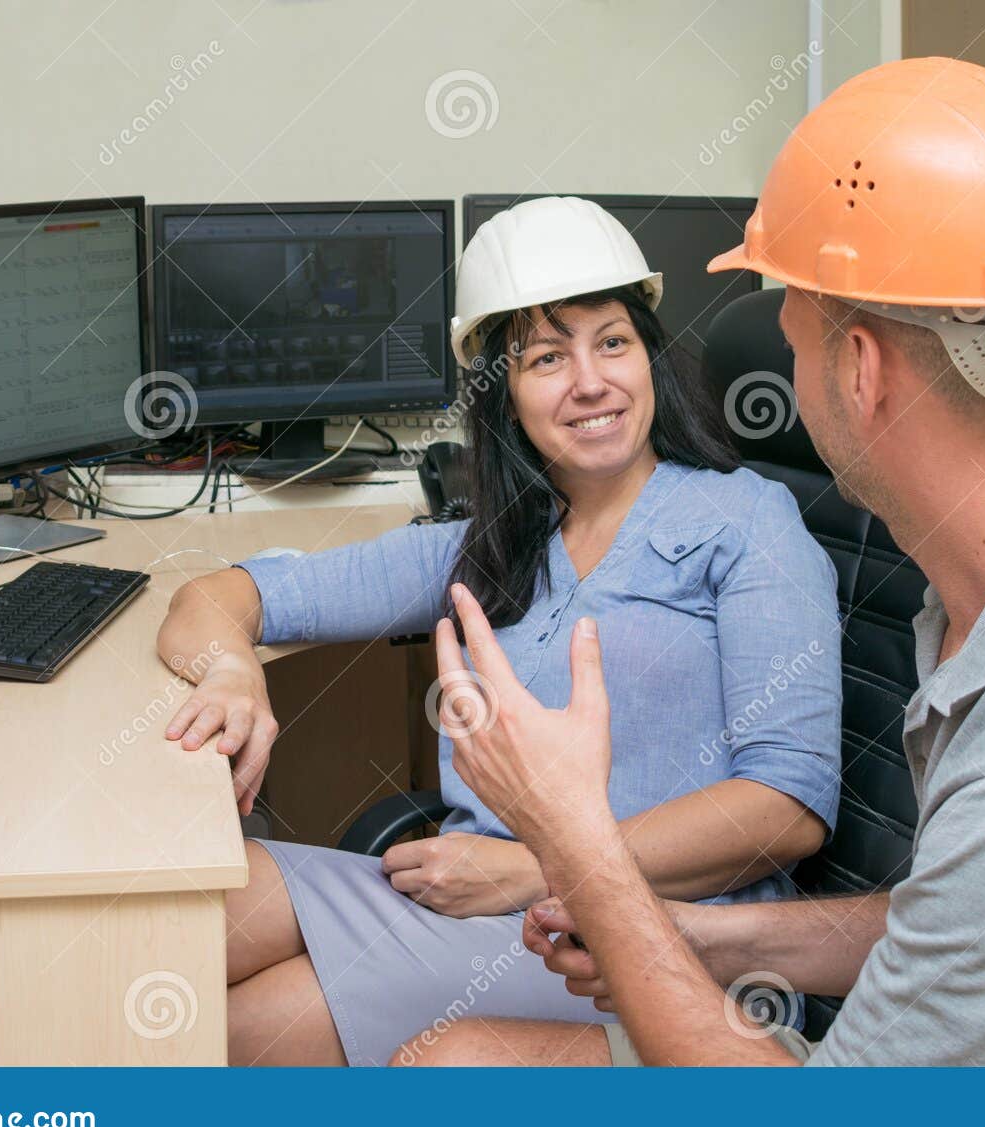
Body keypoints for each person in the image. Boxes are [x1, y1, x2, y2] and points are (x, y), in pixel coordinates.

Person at [397, 59, 985, 1067]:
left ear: (858, 369)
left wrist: (573, 838)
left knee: (449, 1069)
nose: (769, 333)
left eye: (791, 312)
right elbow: (960, 917)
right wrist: (702, 935)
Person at [155, 196, 842, 1066]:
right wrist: (232, 673)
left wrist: (540, 869)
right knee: (176, 908)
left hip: (630, 932)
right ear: (502, 394)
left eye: (614, 342)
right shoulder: (489, 543)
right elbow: (217, 598)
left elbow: (787, 811)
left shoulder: (747, 521)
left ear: (650, 358)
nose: (590, 381)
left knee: (235, 1028)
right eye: (548, 357)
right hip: (472, 895)